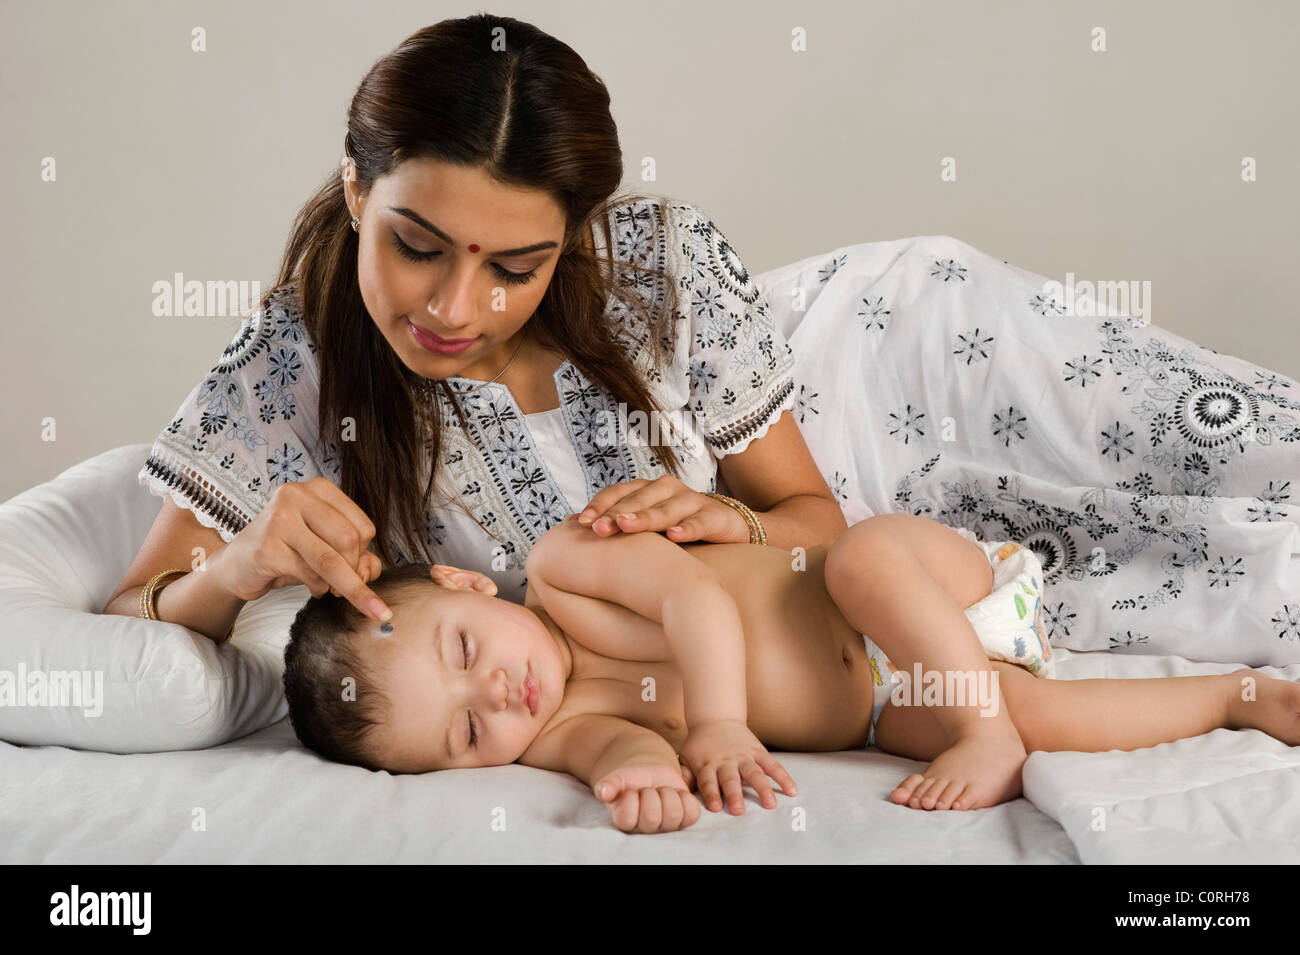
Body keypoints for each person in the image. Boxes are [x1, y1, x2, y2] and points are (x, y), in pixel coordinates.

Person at [101, 14, 846, 640]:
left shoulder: (663, 270)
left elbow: (820, 525)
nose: (454, 309)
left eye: (515, 269)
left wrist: (736, 524)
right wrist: (236, 569)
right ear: (358, 190)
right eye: (417, 248)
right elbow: (131, 611)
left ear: (572, 237)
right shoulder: (296, 357)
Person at [282, 510, 1300, 834]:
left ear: (468, 584)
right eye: (467, 732)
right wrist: (632, 781)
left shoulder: (564, 571)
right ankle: (1237, 694)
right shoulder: (550, 733)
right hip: (881, 701)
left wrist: (718, 723)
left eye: (465, 651)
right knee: (1032, 717)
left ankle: (985, 728)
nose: (497, 696)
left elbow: (699, 603)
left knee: (859, 559)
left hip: (927, 593)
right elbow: (623, 744)